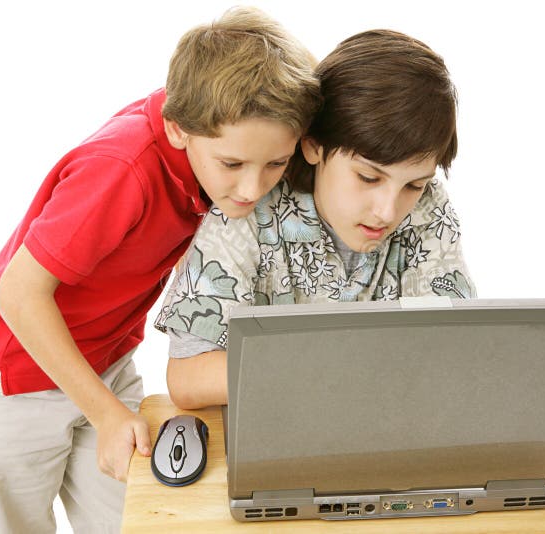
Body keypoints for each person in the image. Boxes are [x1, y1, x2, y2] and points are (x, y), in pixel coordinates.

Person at [0, 7, 321, 533]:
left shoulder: (216, 126)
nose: (253, 189)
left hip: (107, 361)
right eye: (233, 165)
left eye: (275, 164)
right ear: (177, 128)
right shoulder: (121, 171)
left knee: (136, 518)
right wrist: (103, 414)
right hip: (14, 381)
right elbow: (19, 295)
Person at [155, 29, 475, 410]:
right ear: (313, 147)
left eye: (414, 184)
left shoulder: (429, 209)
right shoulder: (250, 210)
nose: (388, 211)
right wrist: (331, 370)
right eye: (368, 178)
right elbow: (188, 377)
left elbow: (454, 349)